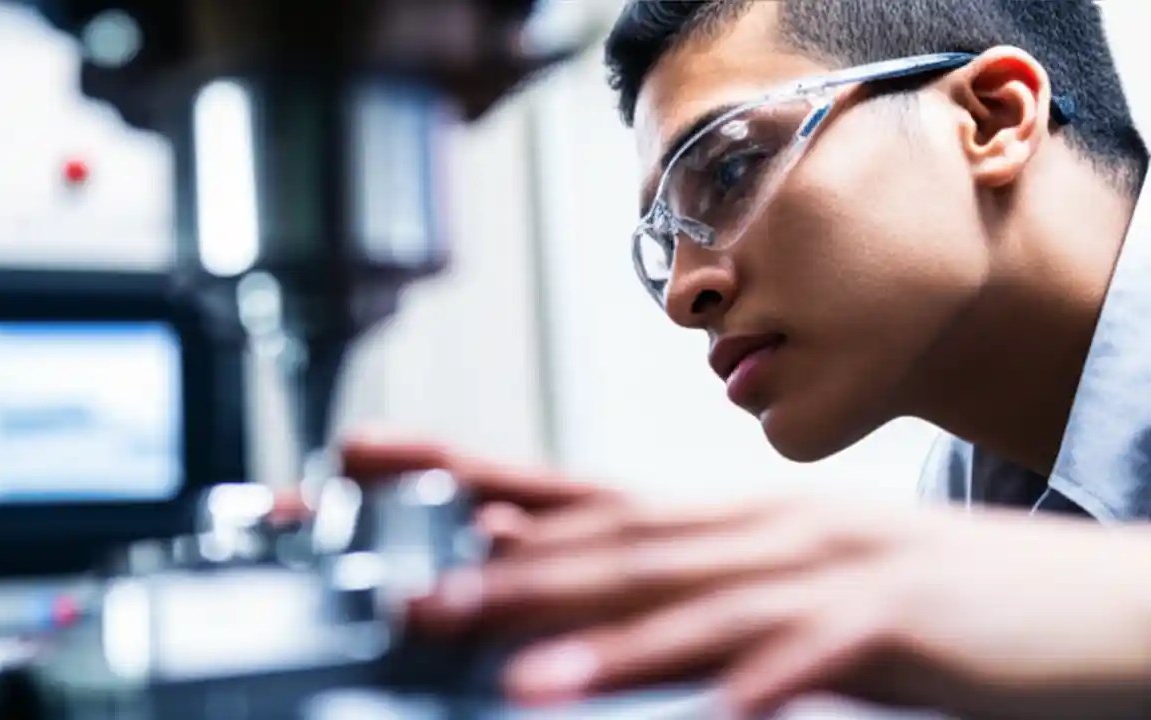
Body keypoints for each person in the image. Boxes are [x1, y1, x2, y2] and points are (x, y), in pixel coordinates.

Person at [321, 0, 1151, 717]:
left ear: (993, 118)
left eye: (731, 166)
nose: (685, 295)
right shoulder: (982, 506)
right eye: (663, 242)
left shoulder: (947, 573)